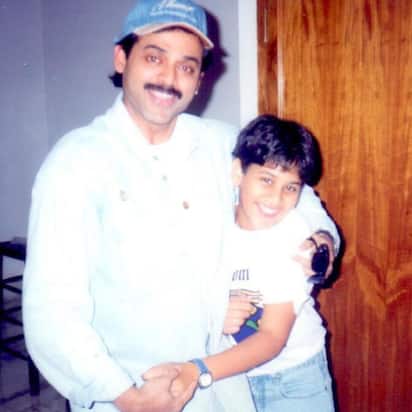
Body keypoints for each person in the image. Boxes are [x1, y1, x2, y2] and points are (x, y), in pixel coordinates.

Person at [22, 1, 339, 411]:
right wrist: (126, 395)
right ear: (121, 59)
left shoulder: (220, 144)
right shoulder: (76, 163)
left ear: (200, 80)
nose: (169, 79)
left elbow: (299, 193)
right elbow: (51, 311)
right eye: (154, 58)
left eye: (187, 67)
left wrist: (322, 240)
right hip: (127, 391)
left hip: (218, 389)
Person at [153, 114, 335, 411]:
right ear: (238, 172)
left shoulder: (292, 235)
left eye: (290, 188)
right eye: (266, 180)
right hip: (234, 379)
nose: (276, 199)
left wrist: (197, 371)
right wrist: (215, 316)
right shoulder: (216, 225)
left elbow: (272, 337)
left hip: (293, 379)